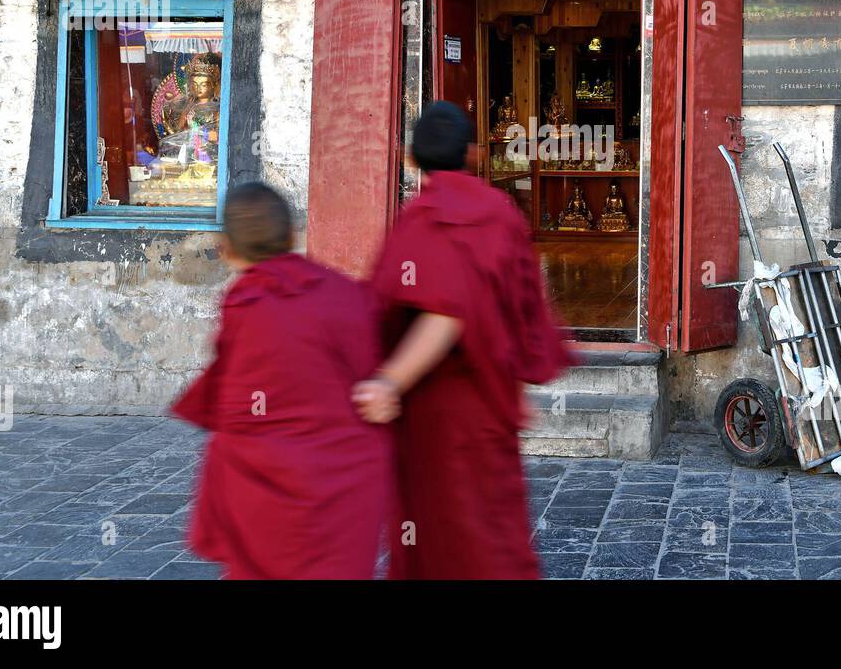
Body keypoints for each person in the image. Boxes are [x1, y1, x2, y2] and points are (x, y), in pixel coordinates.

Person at [354, 101, 573, 579]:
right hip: (488, 403)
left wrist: (389, 381)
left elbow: (444, 311)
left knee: (444, 536)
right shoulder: (499, 212)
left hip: (434, 410)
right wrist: (514, 384)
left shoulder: (424, 217)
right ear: (473, 154)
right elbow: (516, 305)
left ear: (411, 159)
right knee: (491, 531)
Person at [171, 181, 389, 579]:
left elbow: (228, 398)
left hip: (264, 480)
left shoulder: (243, 303)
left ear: (228, 250)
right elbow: (371, 372)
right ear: (291, 236)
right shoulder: (342, 292)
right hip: (341, 478)